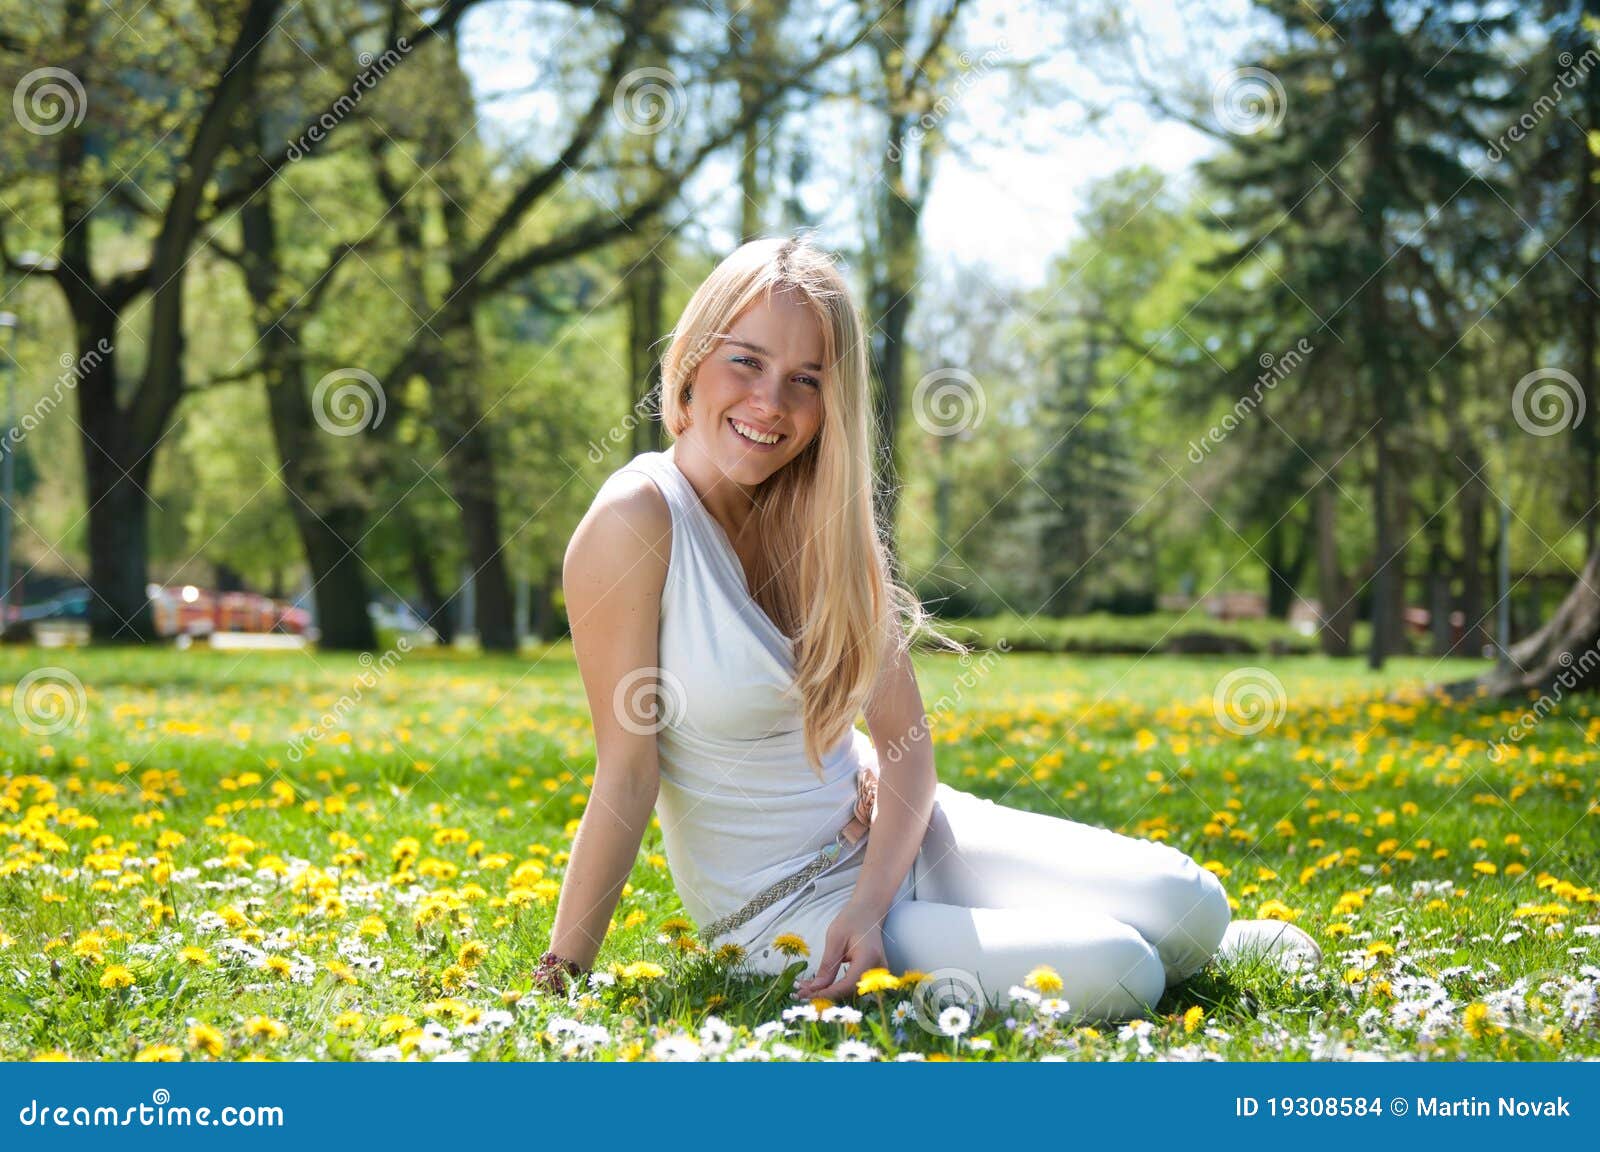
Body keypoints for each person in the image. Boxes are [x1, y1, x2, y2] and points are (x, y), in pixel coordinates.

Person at [535, 235, 1321, 1024]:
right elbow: (627, 775)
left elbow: (906, 747)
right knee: (1124, 974)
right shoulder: (634, 522)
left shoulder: (826, 518)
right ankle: (1135, 950)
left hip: (898, 841)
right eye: (746, 361)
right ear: (694, 360)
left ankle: (1182, 941)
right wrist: (560, 978)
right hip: (779, 915)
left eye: (806, 379)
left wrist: (873, 901)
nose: (771, 401)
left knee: (1193, 902)